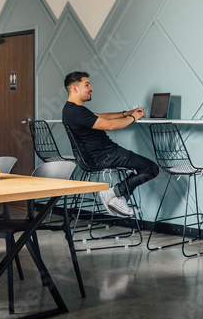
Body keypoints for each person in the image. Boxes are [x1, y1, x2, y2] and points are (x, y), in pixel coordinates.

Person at [62, 71, 159, 216]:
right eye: (87, 85)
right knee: (151, 168)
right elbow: (110, 126)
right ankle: (114, 193)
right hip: (105, 155)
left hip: (98, 155)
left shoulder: (71, 110)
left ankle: (118, 197)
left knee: (142, 168)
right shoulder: (77, 112)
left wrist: (127, 113)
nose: (91, 88)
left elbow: (102, 116)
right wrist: (134, 117)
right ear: (75, 88)